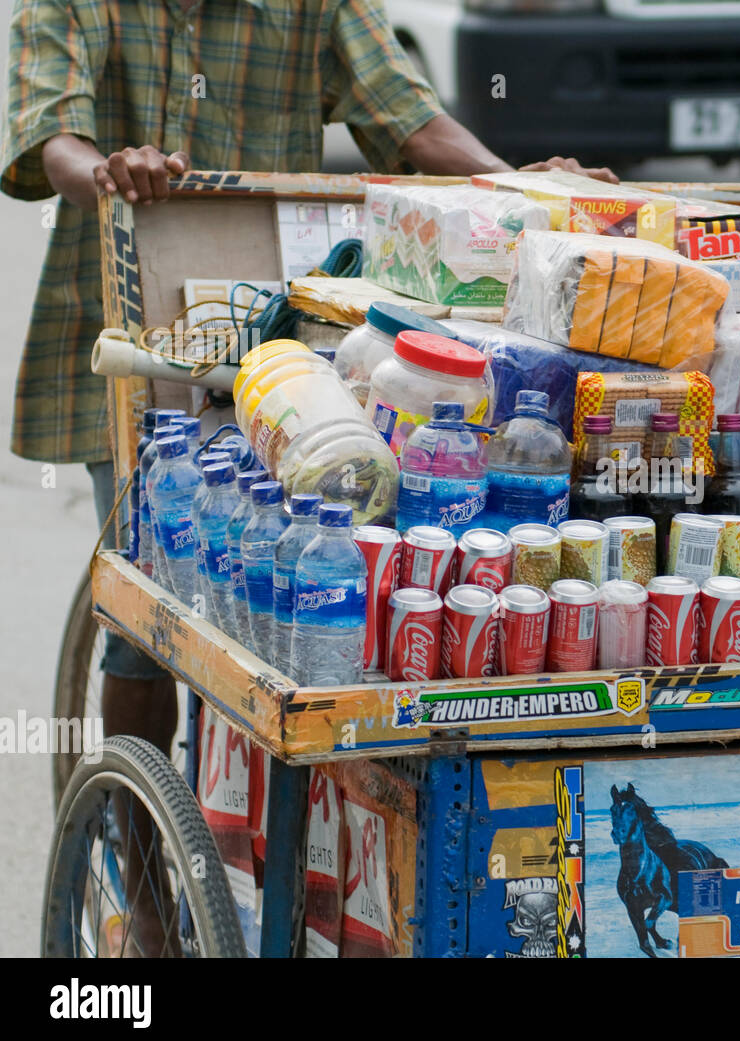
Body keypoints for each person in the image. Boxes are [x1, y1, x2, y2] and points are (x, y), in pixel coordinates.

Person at [2, 0, 615, 764]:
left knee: (303, 610)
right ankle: (132, 855)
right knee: (149, 619)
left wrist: (522, 189)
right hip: (131, 336)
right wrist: (101, 168)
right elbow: (50, 128)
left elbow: (408, 116)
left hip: (288, 336)